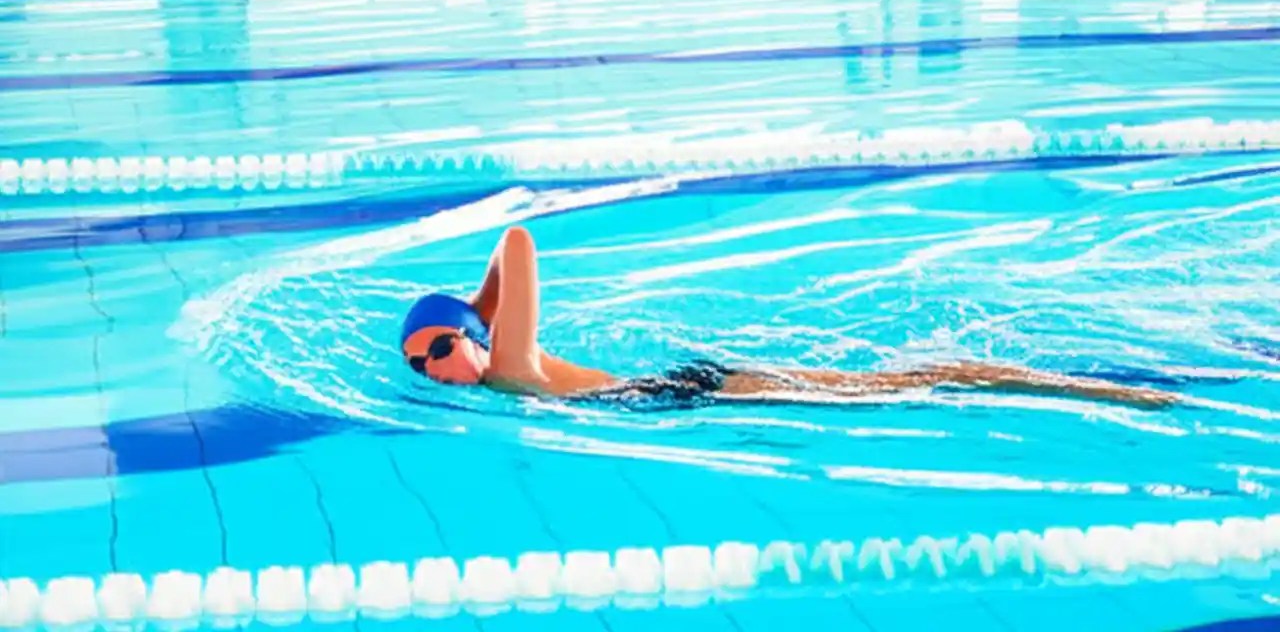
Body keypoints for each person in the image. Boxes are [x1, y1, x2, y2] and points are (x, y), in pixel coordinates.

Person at [401, 226, 1179, 409]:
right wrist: (469, 311)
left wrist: (477, 305)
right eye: (415, 363)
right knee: (894, 384)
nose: (427, 369)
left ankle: (1098, 391)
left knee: (903, 387)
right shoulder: (497, 378)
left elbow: (518, 238)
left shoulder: (508, 368)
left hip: (690, 391)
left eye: (433, 348)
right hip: (672, 391)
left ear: (465, 339)